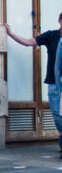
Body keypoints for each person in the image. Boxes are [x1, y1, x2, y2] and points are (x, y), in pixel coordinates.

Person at [6, 12, 62, 153]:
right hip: (54, 83)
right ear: (59, 21)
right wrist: (11, 34)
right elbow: (29, 42)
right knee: (57, 115)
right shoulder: (51, 36)